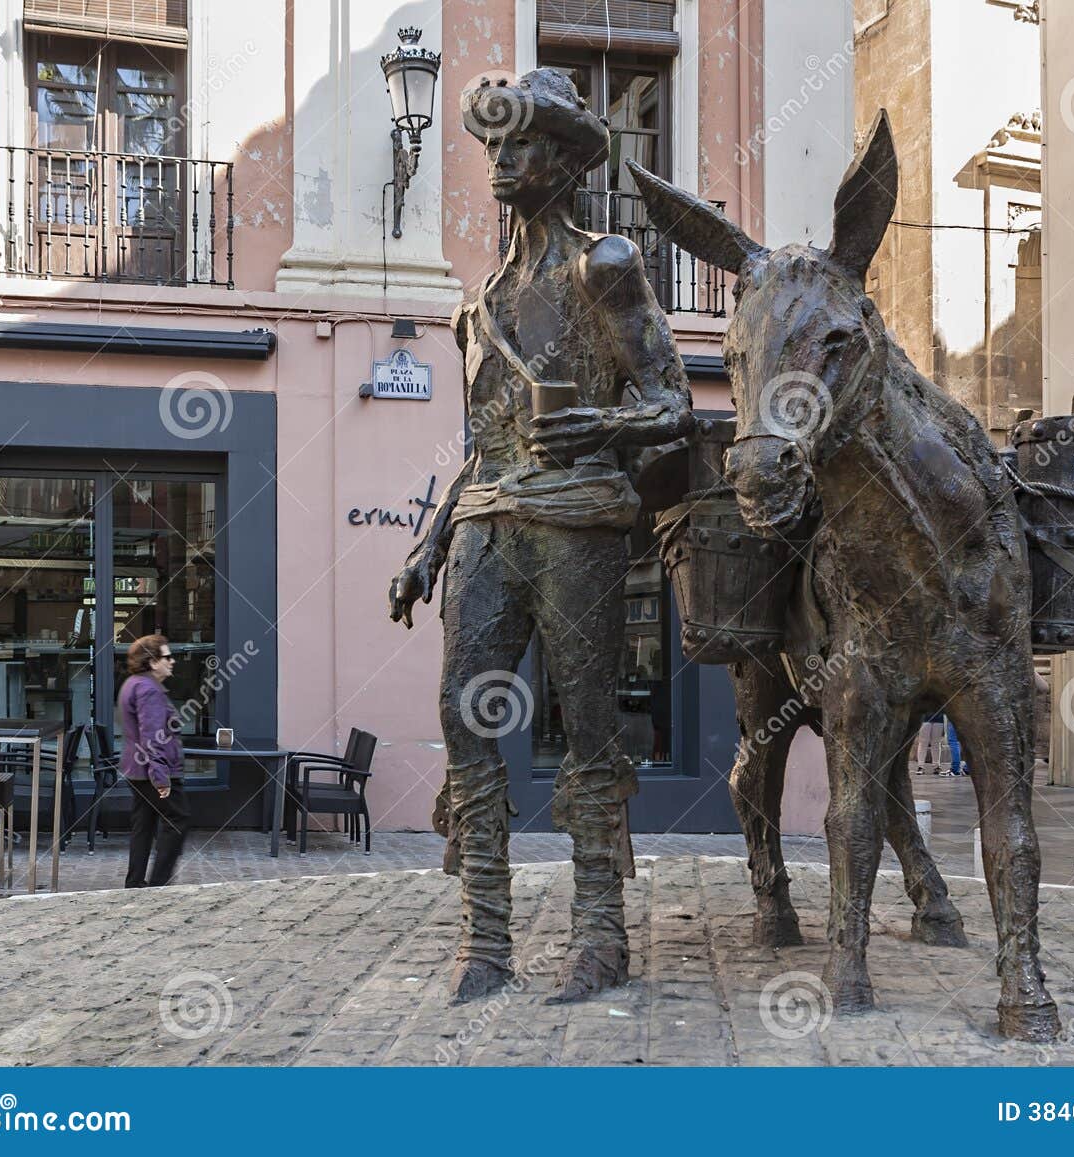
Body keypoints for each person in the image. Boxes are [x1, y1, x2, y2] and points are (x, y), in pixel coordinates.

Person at [389, 69, 694, 1003]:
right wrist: (429, 540)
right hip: (487, 523)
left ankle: (601, 936)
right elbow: (480, 445)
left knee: (590, 725)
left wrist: (604, 426)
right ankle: (486, 940)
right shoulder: (474, 303)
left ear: (563, 161)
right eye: (493, 146)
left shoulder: (603, 264)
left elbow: (673, 402)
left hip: (576, 520)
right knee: (462, 713)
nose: (501, 162)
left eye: (520, 146)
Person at [119, 634, 189, 889]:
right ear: (152, 662)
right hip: (152, 771)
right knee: (178, 820)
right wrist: (161, 777)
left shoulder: (134, 683)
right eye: (167, 657)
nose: (172, 661)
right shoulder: (149, 690)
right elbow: (152, 736)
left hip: (136, 769)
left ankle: (135, 882)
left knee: (144, 824)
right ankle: (159, 883)